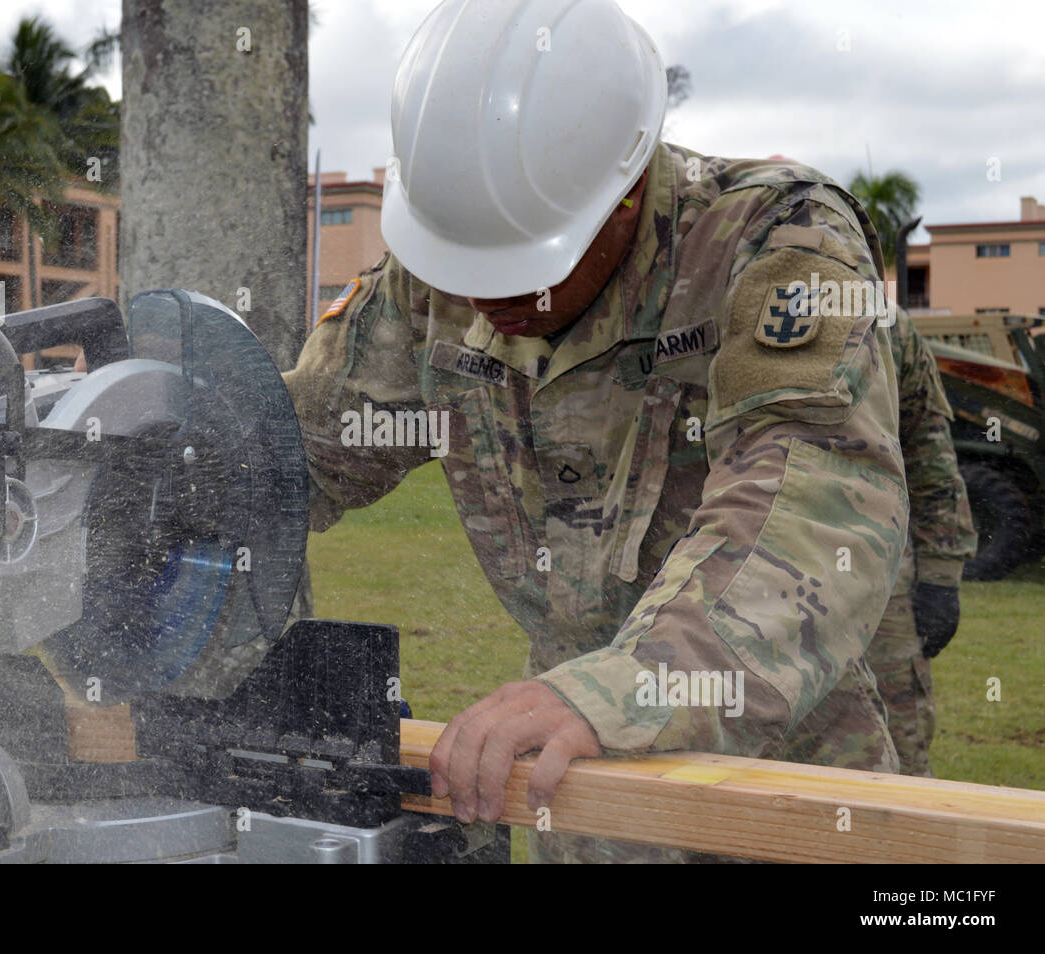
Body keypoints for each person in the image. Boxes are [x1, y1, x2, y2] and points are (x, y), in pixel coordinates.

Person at [283, 0, 908, 862]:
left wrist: (628, 688)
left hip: (780, 796)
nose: (484, 301)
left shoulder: (774, 240)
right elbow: (298, 453)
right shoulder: (432, 279)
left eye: (523, 265)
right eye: (464, 268)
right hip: (582, 804)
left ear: (626, 196)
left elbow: (814, 500)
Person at [867, 308, 977, 776]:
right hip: (737, 563)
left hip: (878, 572)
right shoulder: (712, 292)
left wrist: (940, 577)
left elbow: (929, 452)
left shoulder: (885, 321)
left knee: (899, 745)